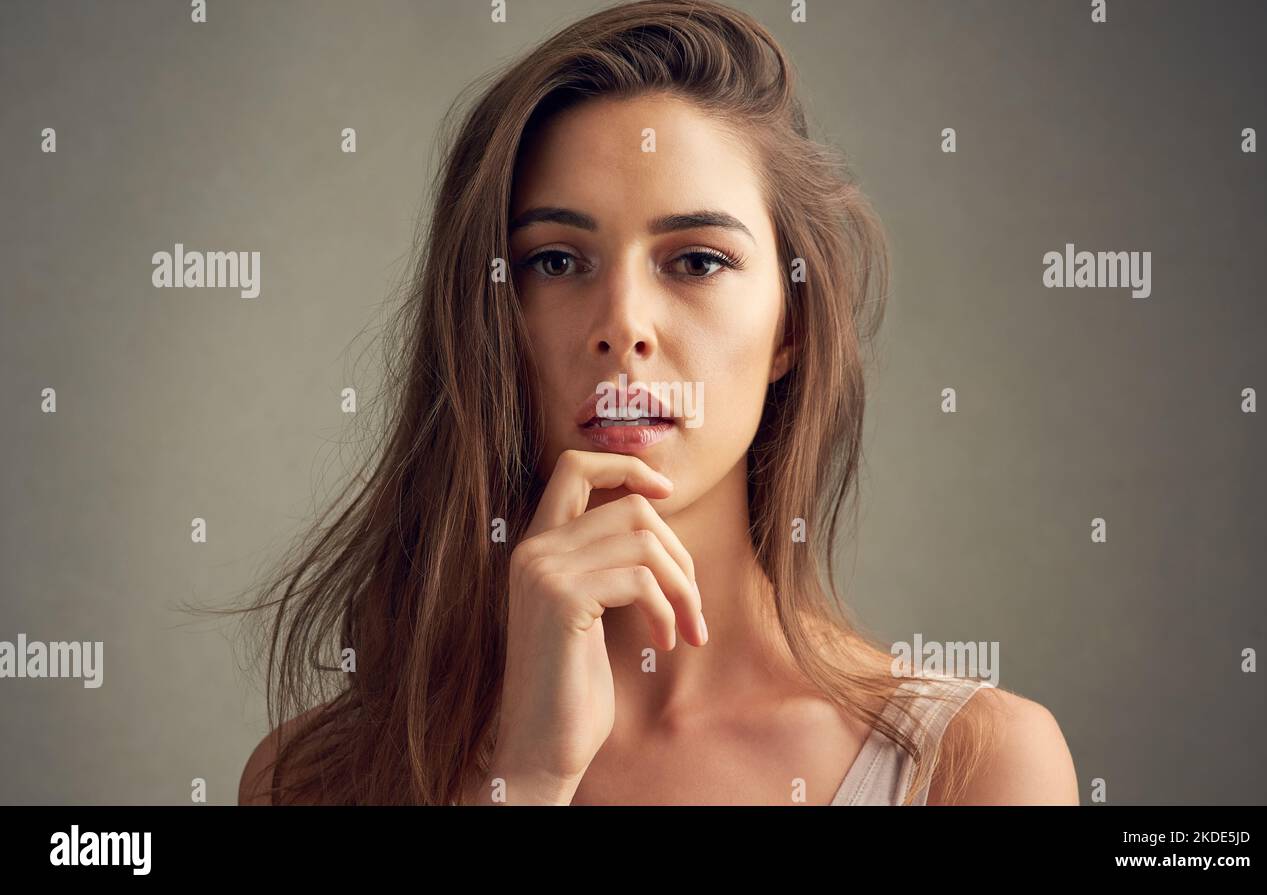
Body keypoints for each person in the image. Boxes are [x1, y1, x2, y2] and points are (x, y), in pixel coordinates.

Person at [238, 0, 1077, 806]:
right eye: (557, 262)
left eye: (698, 261)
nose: (623, 326)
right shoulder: (312, 779)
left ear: (793, 325)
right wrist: (524, 780)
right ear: (490, 313)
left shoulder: (973, 768)